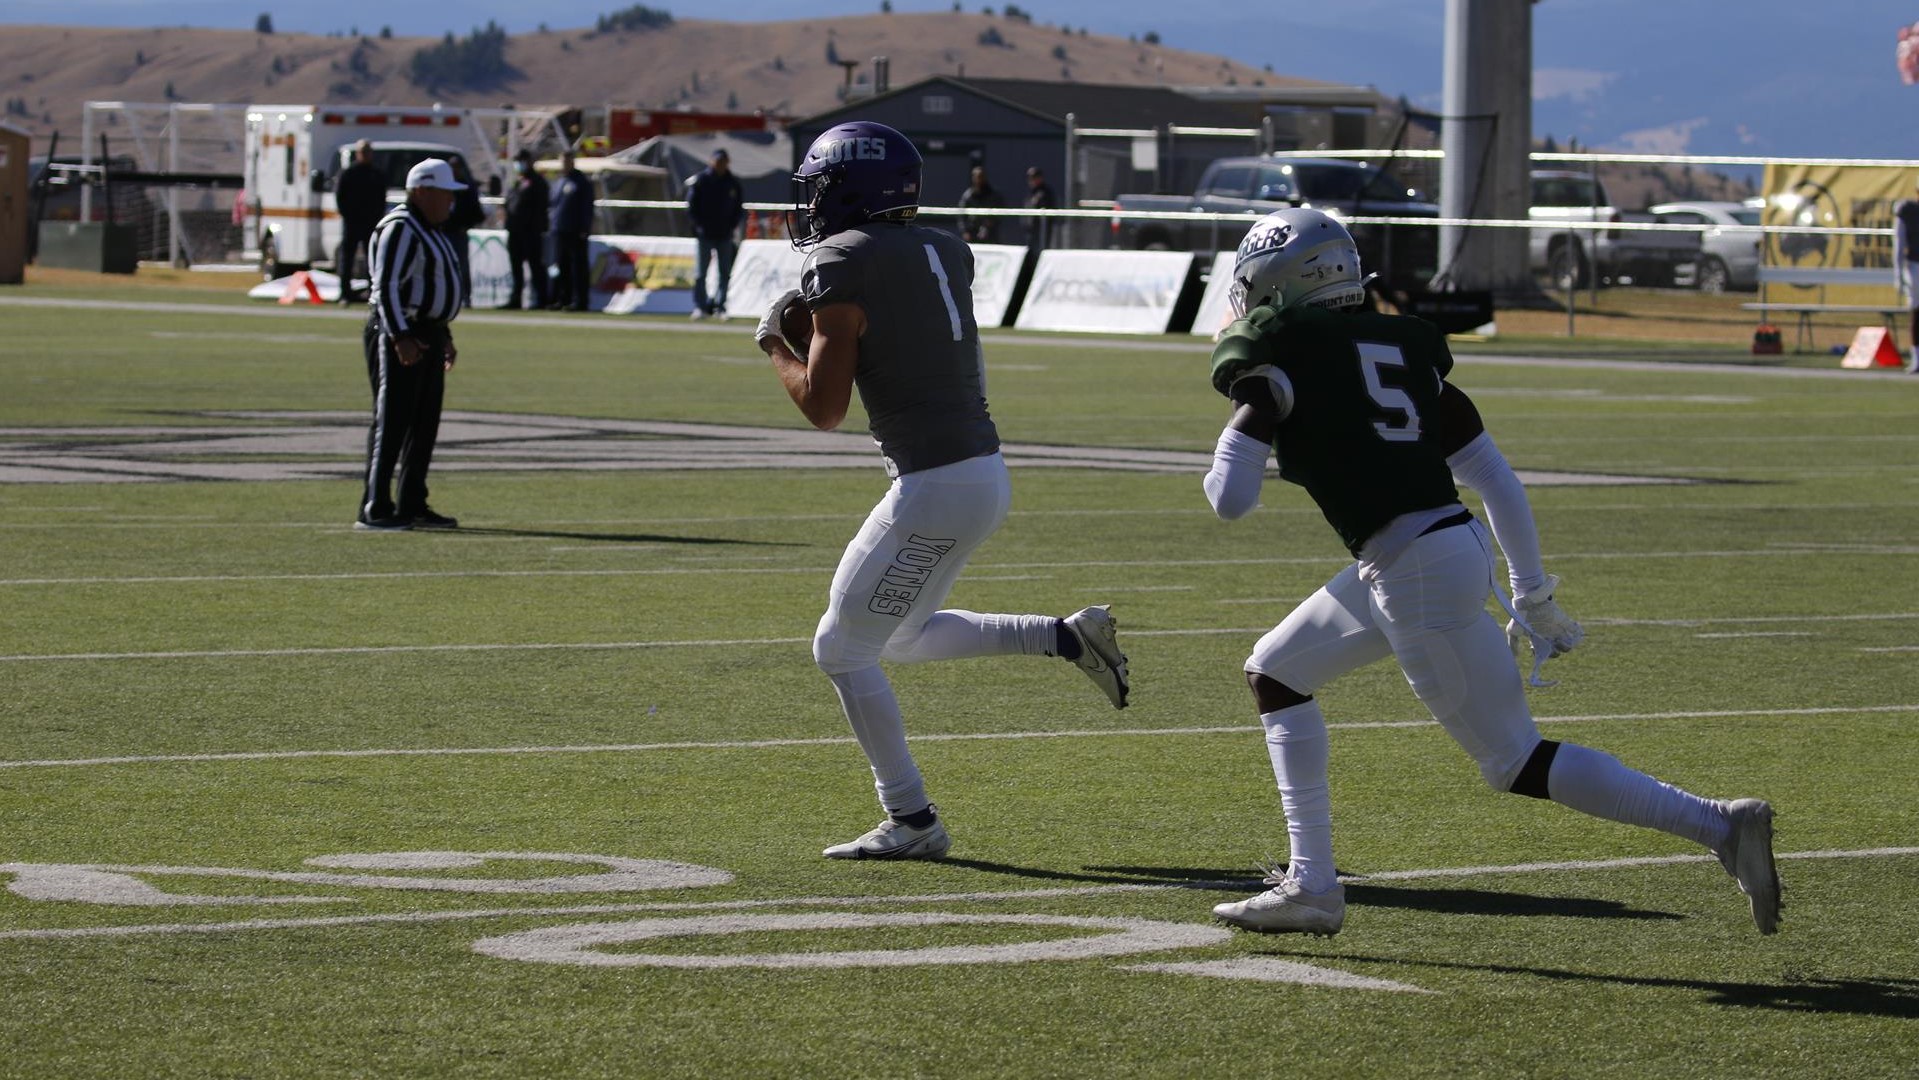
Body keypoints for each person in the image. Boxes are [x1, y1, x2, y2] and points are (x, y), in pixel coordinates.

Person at [1199, 207, 1781, 937]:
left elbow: (1229, 500)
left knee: (1514, 761)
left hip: (1409, 569)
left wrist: (1250, 411)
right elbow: (1496, 479)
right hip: (1440, 548)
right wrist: (1531, 591)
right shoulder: (1400, 349)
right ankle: (1311, 883)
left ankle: (1718, 825)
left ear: (1279, 285)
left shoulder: (1283, 361)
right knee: (1276, 670)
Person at [755, 120, 1131, 860]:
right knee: (897, 636)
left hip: (934, 484)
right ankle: (1064, 636)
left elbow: (824, 408)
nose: (809, 206)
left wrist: (774, 342)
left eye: (819, 189)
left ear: (847, 191)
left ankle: (913, 819)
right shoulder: (943, 247)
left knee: (840, 648)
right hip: (979, 473)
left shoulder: (840, 259)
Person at [355, 158, 467, 532]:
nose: (450, 201)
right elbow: (385, 287)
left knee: (424, 422)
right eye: (445, 193)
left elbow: (432, 286)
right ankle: (375, 506)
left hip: (428, 332)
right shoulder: (401, 228)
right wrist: (401, 336)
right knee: (393, 419)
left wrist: (444, 333)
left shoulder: (431, 228)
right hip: (399, 332)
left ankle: (412, 502)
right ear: (422, 191)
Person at [686, 147, 746, 319]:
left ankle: (721, 307)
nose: (720, 165)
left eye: (723, 161)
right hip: (704, 234)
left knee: (724, 272)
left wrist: (732, 225)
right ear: (711, 161)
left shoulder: (732, 182)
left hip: (724, 234)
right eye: (718, 161)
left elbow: (738, 208)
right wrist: (697, 226)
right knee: (700, 273)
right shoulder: (702, 180)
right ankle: (701, 307)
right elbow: (692, 206)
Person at [333, 140, 387, 304]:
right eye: (363, 152)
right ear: (358, 154)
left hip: (370, 222)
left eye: (368, 152)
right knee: (347, 258)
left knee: (373, 258)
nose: (365, 155)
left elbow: (381, 198)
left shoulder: (376, 174)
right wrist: (348, 214)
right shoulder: (349, 173)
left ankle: (373, 291)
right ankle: (345, 292)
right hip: (352, 222)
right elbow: (340, 197)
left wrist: (377, 217)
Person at [501, 149, 549, 310]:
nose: (519, 164)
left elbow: (540, 207)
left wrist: (534, 226)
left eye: (521, 161)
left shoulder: (537, 182)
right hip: (515, 232)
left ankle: (541, 299)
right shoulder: (517, 182)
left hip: (530, 232)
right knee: (516, 268)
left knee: (536, 266)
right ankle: (516, 298)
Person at [550, 150, 594, 312]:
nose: (564, 164)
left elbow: (586, 207)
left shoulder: (581, 182)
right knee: (561, 266)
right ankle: (562, 298)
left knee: (578, 268)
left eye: (567, 161)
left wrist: (584, 228)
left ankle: (580, 301)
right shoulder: (559, 181)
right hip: (559, 230)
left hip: (575, 231)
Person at [445, 157, 487, 309]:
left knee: (461, 266)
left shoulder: (466, 188)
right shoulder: (445, 186)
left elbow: (476, 212)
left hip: (458, 232)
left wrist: (466, 225)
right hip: (445, 232)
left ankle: (465, 297)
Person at [1893, 177, 1919, 373]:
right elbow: (1899, 243)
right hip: (1915, 265)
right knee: (1917, 312)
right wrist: (1898, 271)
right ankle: (1917, 357)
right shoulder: (1908, 211)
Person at [956, 165, 1002, 244]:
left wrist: (987, 227)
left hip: (990, 236)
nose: (978, 180)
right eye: (976, 177)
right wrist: (964, 231)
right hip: (972, 234)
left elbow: (998, 213)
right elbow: (961, 215)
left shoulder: (993, 196)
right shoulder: (967, 196)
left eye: (981, 176)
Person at [1022, 166, 1057, 249]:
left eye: (1034, 177)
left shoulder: (1045, 193)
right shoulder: (1031, 193)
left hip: (1042, 233)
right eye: (1030, 178)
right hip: (1030, 231)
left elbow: (1048, 212)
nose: (1031, 181)